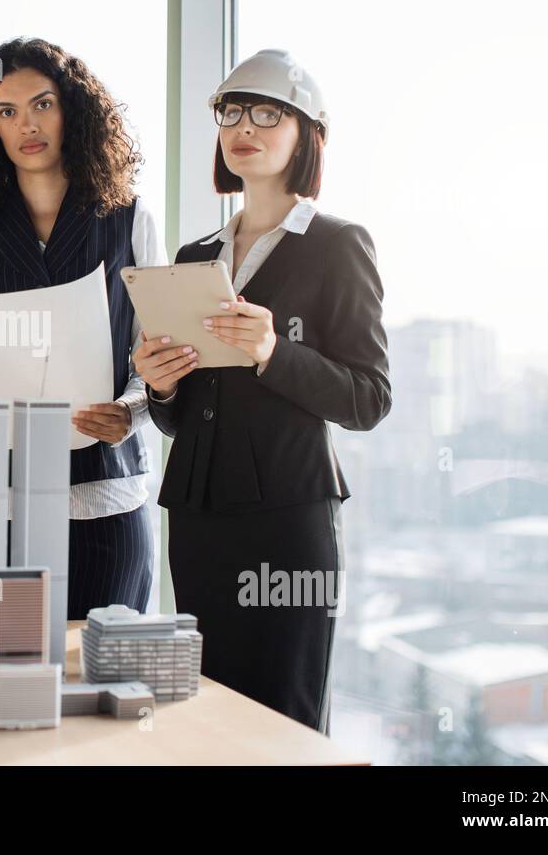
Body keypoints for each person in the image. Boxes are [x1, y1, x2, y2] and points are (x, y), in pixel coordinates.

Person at [133, 48, 391, 733]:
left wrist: (273, 351)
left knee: (286, 717)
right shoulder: (194, 257)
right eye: (231, 112)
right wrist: (160, 389)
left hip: (287, 519)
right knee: (208, 715)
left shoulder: (338, 245)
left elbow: (368, 397)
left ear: (307, 132)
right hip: (197, 517)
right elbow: (183, 416)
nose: (244, 126)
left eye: (267, 112)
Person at [0, 37, 165, 617]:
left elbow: (156, 352)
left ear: (72, 111)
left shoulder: (130, 219)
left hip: (106, 498)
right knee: (6, 691)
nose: (26, 126)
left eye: (42, 104)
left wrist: (131, 411)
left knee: (103, 689)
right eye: (6, 112)